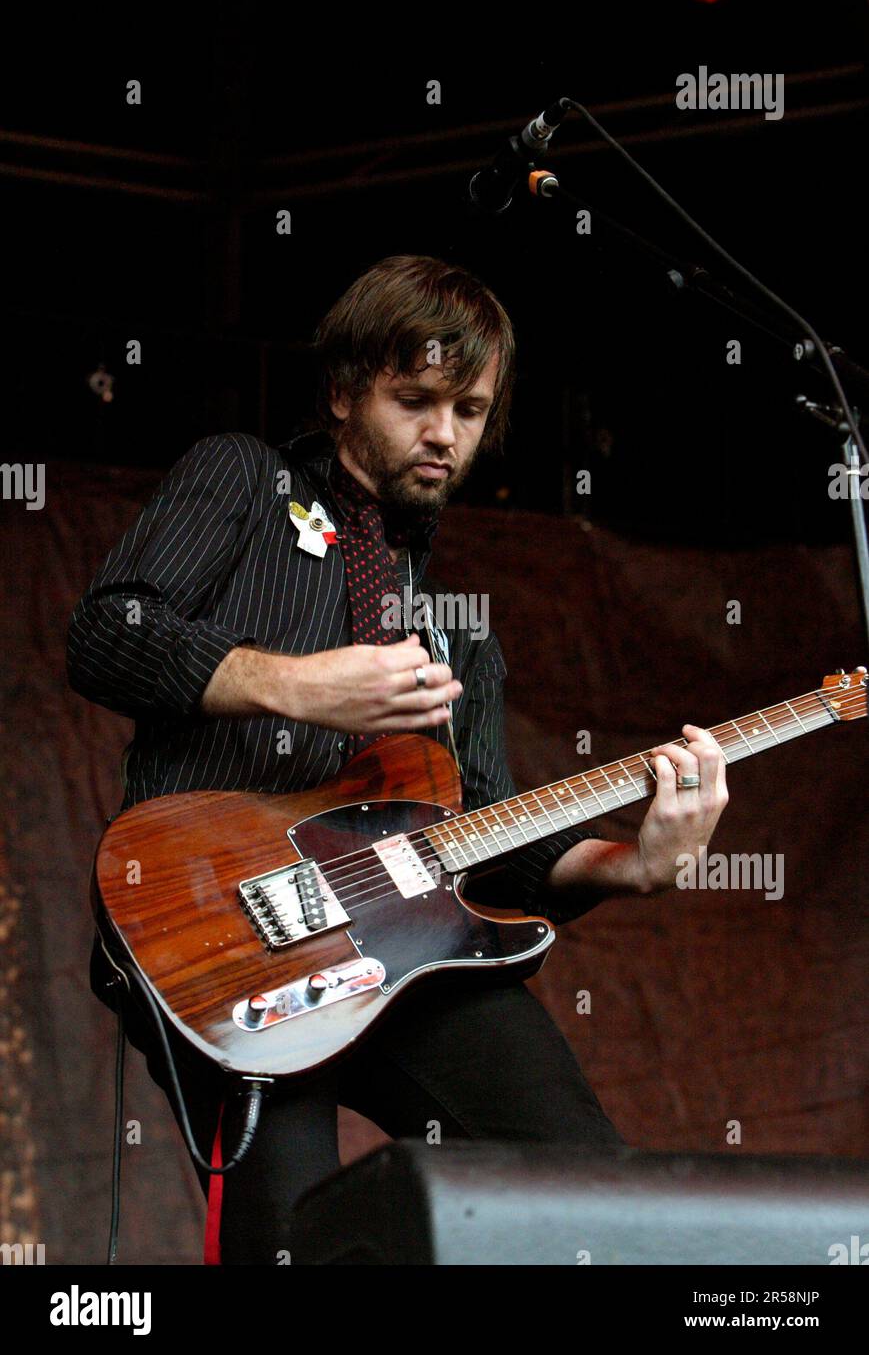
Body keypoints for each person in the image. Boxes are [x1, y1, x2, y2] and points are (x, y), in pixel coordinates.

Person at [67, 253, 729, 1265]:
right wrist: (292, 683)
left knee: (582, 1182)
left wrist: (628, 866)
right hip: (223, 927)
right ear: (341, 391)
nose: (442, 434)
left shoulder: (455, 633)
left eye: (468, 409)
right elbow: (106, 632)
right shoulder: (243, 476)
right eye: (413, 399)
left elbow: (490, 845)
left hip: (404, 944)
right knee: (282, 1236)